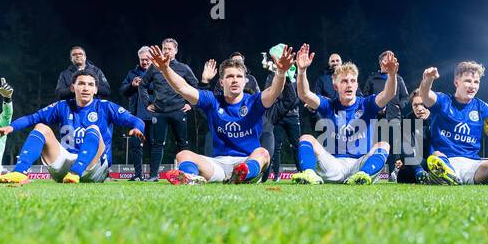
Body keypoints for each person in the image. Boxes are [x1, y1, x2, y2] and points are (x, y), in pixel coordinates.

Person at [155, 47, 295, 184]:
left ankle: (243, 172)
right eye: (230, 76)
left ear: (245, 80)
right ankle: (190, 178)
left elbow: (273, 92)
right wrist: (165, 69)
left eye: (239, 76)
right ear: (222, 82)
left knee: (263, 153)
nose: (235, 80)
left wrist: (281, 72)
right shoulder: (212, 101)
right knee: (183, 155)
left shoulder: (254, 101)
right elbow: (183, 88)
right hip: (219, 164)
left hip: (247, 160)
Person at [0, 73, 144, 184]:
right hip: (64, 167)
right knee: (41, 127)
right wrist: (10, 127)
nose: (86, 88)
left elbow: (136, 120)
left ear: (96, 89)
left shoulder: (105, 106)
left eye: (90, 85)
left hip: (93, 169)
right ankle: (19, 172)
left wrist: (138, 128)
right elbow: (32, 118)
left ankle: (76, 172)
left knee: (93, 129)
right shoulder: (62, 106)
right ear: (73, 87)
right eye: (81, 83)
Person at [289, 45, 394, 184]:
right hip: (334, 165)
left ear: (357, 85)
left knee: (384, 145)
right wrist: (302, 71)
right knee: (306, 138)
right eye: (344, 81)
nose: (349, 85)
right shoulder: (328, 105)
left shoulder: (367, 104)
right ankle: (309, 174)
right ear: (336, 86)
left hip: (361, 165)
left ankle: (362, 177)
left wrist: (392, 75)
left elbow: (388, 94)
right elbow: (305, 95)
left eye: (352, 81)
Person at [136, 38, 198, 180]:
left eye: (170, 49)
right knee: (157, 144)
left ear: (176, 51)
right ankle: (153, 176)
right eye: (164, 48)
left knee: (182, 144)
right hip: (160, 112)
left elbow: (195, 86)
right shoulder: (154, 67)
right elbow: (143, 85)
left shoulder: (184, 68)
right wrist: (147, 104)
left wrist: (191, 104)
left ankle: (187, 175)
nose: (167, 51)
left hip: (178, 110)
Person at [261, 43, 303, 180]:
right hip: (278, 116)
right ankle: (275, 175)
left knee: (297, 146)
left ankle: (303, 173)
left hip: (293, 115)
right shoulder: (272, 76)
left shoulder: (295, 74)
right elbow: (268, 94)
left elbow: (298, 96)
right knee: (276, 146)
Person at [120, 46, 155, 180]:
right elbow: (123, 91)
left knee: (153, 146)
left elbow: (162, 89)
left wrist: (144, 84)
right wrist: (132, 85)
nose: (144, 62)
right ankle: (138, 175)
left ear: (152, 59)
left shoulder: (158, 72)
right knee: (135, 146)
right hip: (136, 117)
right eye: (142, 60)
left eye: (147, 59)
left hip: (154, 115)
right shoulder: (132, 73)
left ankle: (153, 175)